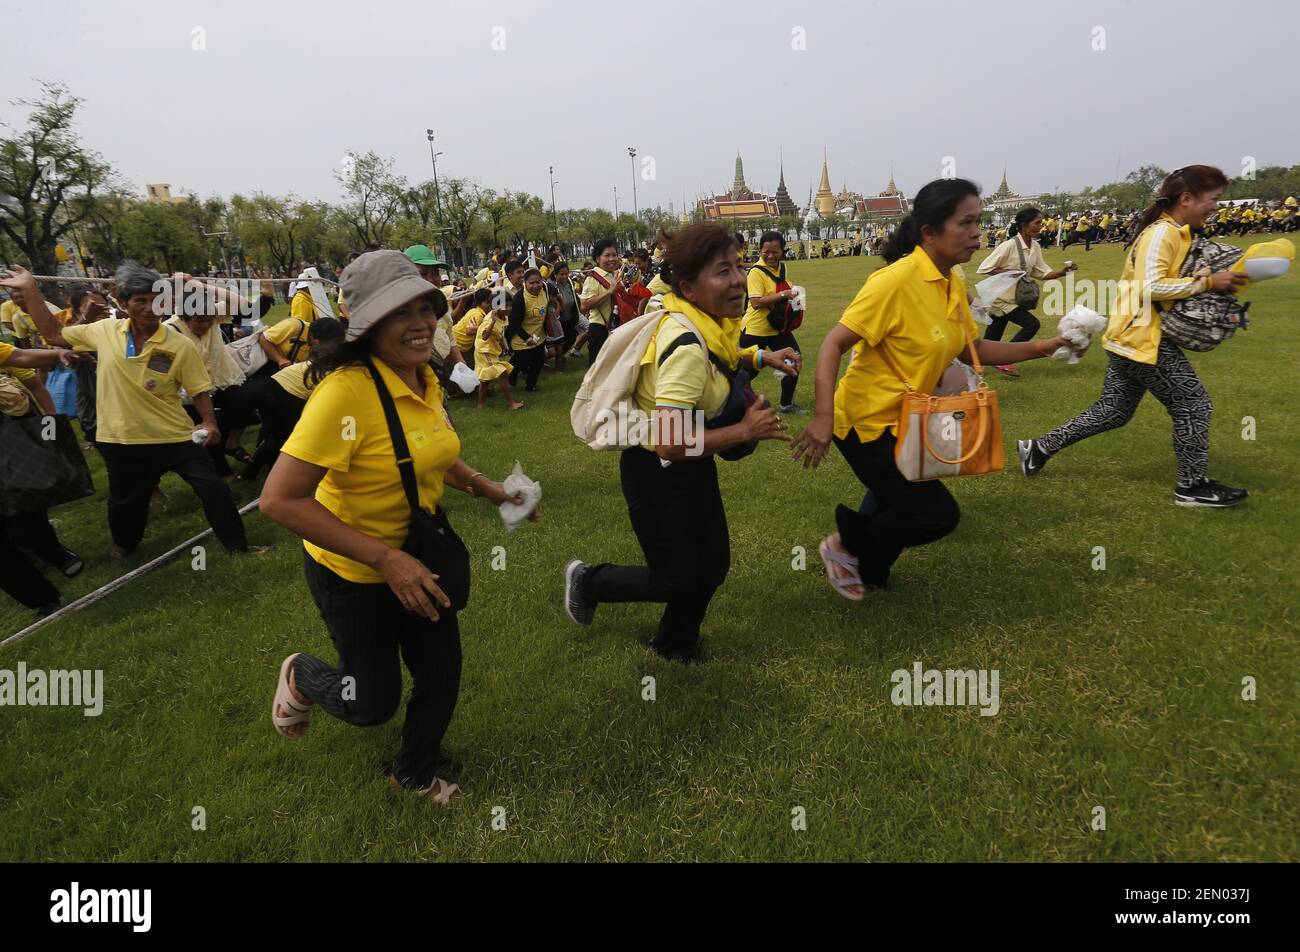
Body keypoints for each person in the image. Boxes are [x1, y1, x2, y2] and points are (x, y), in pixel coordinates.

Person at [260, 250, 538, 803]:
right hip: (353, 575)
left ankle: (412, 771)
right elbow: (279, 500)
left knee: (441, 674)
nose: (420, 323)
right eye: (399, 313)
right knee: (370, 704)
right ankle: (303, 676)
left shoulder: (423, 375)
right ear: (366, 324)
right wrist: (386, 560)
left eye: (426, 308)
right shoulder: (345, 393)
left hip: (420, 552)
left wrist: (489, 489)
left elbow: (431, 453)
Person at [790, 179, 1082, 598]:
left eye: (978, 221)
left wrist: (1042, 346)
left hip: (908, 419)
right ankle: (845, 546)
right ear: (929, 232)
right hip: (864, 423)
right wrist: (821, 417)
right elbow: (834, 343)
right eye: (966, 223)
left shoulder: (951, 281)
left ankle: (869, 568)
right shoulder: (894, 281)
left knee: (897, 496)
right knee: (936, 514)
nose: (978, 233)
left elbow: (971, 347)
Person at [563, 224, 801, 662]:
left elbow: (721, 360)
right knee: (674, 578)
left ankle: (675, 644)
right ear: (689, 288)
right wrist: (745, 431)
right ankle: (589, 582)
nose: (737, 279)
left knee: (712, 564)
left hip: (691, 460)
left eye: (737, 265)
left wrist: (762, 356)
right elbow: (671, 444)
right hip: (656, 470)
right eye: (722, 271)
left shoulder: (701, 324)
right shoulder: (687, 342)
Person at [1018, 166, 1250, 507]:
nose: (1215, 206)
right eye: (1212, 199)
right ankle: (1192, 486)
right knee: (1193, 404)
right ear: (1186, 199)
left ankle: (1038, 448)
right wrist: (1209, 282)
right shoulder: (1163, 233)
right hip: (1144, 337)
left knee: (1114, 410)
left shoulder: (1173, 231)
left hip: (1130, 335)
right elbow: (1149, 286)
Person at [5, 262, 269, 560]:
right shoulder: (103, 331)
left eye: (155, 299)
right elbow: (53, 334)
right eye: (139, 300)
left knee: (215, 491)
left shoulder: (179, 345)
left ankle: (238, 546)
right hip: (121, 440)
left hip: (176, 437)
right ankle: (125, 546)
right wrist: (29, 290)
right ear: (123, 302)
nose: (148, 307)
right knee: (126, 503)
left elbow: (198, 390)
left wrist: (209, 421)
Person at [0, 338, 86, 617]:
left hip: (7, 441)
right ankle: (40, 598)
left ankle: (53, 552)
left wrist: (59, 352)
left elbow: (21, 356)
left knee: (24, 510)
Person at [976, 206, 1079, 377]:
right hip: (1001, 299)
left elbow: (1042, 272)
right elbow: (985, 267)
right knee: (1032, 324)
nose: (1041, 226)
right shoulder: (1009, 245)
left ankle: (973, 363)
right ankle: (1005, 360)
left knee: (992, 337)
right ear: (1023, 225)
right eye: (1037, 223)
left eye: (1041, 223)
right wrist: (1010, 273)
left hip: (1014, 299)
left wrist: (1063, 272)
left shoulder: (1035, 247)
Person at [241, 318, 345, 480]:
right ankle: (258, 473)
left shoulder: (331, 360)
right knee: (287, 435)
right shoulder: (335, 364)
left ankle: (254, 472)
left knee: (278, 433)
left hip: (279, 384)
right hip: (284, 390)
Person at [739, 231, 804, 413]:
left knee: (793, 358)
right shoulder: (755, 273)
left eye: (775, 252)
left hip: (776, 327)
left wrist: (793, 295)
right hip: (755, 329)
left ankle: (786, 404)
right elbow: (756, 302)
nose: (770, 256)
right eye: (765, 251)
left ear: (782, 251)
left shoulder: (781, 268)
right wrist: (783, 294)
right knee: (746, 372)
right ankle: (730, 403)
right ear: (759, 250)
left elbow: (781, 290)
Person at [473, 298, 523, 410]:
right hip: (485, 350)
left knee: (485, 380)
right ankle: (511, 404)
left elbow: (499, 333)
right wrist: (493, 321)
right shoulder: (489, 320)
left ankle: (480, 406)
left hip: (490, 350)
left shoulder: (503, 317)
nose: (510, 308)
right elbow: (485, 337)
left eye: (511, 305)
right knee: (503, 373)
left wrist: (503, 344)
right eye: (507, 306)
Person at [579, 239, 622, 365]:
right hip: (599, 329)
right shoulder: (593, 278)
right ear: (598, 259)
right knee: (597, 369)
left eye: (614, 255)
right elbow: (584, 306)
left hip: (616, 326)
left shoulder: (614, 274)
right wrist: (609, 292)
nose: (612, 259)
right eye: (607, 255)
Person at [506, 268, 548, 392]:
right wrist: (526, 338)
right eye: (531, 283)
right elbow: (514, 322)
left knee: (538, 362)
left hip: (539, 336)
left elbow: (549, 303)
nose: (535, 286)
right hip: (521, 339)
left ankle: (531, 387)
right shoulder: (520, 298)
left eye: (538, 282)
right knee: (521, 363)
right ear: (525, 283)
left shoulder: (544, 290)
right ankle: (510, 378)